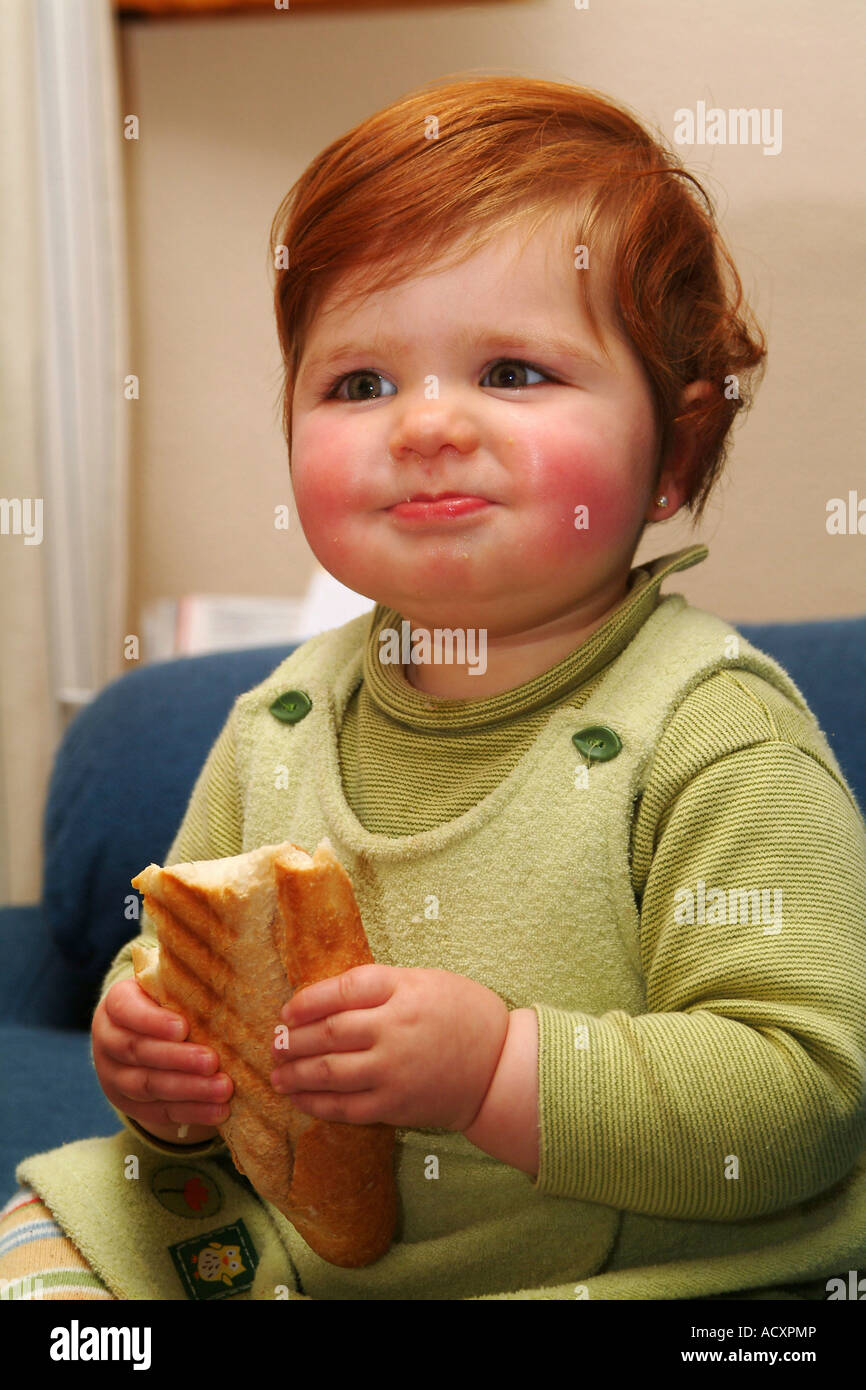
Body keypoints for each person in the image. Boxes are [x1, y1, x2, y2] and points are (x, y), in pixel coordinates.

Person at [3, 74, 865, 1302]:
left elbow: (801, 1096)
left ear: (670, 455)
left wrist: (496, 1068)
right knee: (51, 1233)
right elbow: (174, 973)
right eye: (358, 383)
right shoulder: (278, 722)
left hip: (647, 1269)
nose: (424, 424)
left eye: (511, 371)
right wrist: (155, 1068)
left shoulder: (716, 729)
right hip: (302, 1247)